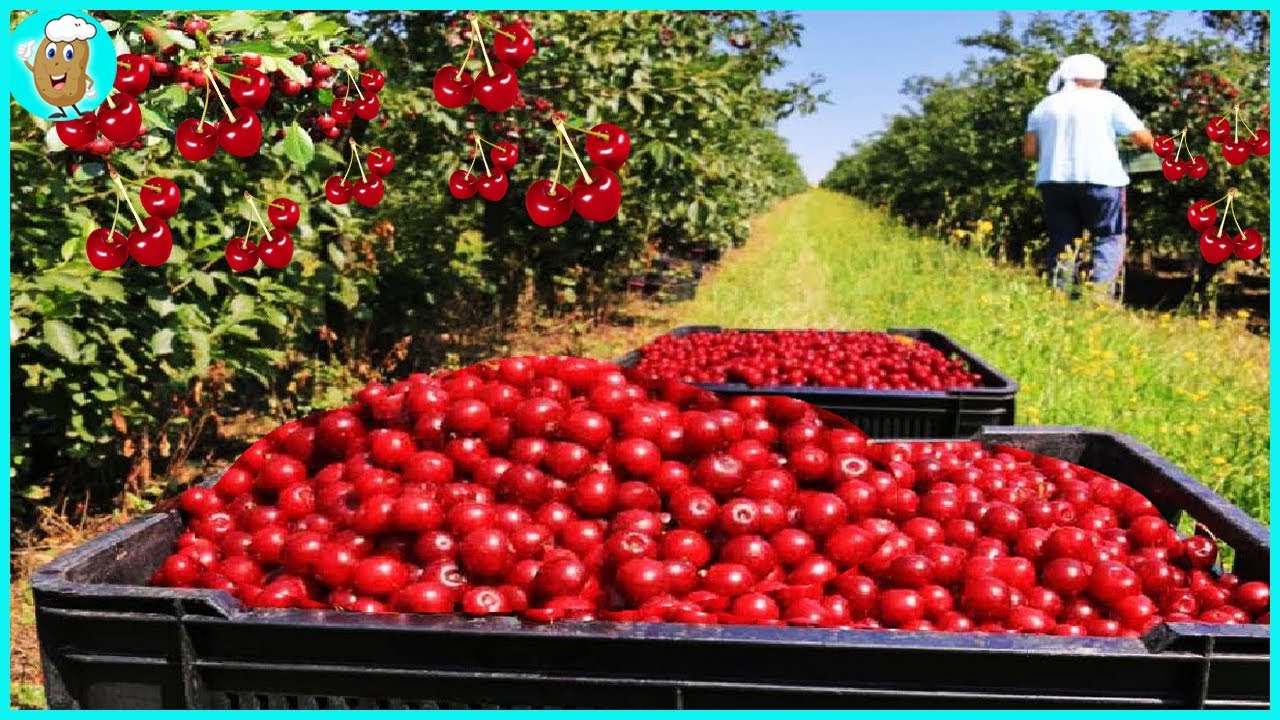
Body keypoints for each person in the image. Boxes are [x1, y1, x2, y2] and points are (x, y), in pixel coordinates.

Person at [1023, 53, 1154, 296]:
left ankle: (1059, 296)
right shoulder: (1109, 101)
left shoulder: (1044, 106)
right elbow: (1143, 138)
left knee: (1062, 239)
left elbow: (1030, 151)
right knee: (1109, 237)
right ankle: (1099, 298)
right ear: (1098, 78)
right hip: (1103, 179)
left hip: (1053, 181)